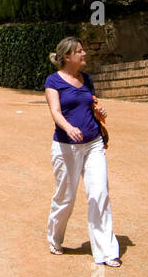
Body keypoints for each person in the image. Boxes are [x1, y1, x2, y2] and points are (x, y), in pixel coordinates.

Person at [44, 37, 120, 265]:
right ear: (67, 57)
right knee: (66, 197)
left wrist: (99, 114)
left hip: (93, 143)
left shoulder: (86, 79)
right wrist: (68, 127)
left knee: (99, 194)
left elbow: (90, 105)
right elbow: (55, 112)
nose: (84, 53)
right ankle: (55, 239)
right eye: (80, 51)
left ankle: (106, 251)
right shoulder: (53, 81)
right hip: (66, 147)